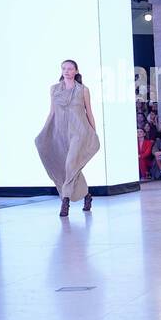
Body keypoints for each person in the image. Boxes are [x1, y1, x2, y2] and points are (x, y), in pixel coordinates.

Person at [35, 59, 101, 216]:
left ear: (76, 71)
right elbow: (52, 112)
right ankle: (86, 196)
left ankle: (65, 202)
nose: (67, 71)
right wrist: (45, 132)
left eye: (70, 68)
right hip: (60, 132)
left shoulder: (83, 90)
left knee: (71, 164)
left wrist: (94, 133)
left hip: (79, 132)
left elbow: (89, 112)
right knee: (69, 167)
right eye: (64, 68)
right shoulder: (54, 89)